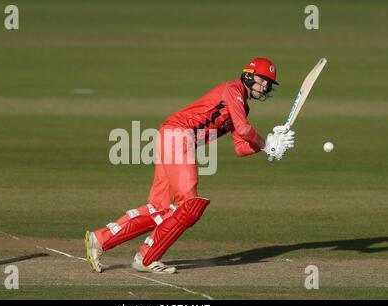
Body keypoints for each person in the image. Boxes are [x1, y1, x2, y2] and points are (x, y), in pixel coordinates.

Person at [85, 57, 295, 274]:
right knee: (189, 206)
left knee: (160, 207)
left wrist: (268, 145)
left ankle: (99, 240)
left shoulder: (241, 103)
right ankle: (147, 258)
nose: (265, 87)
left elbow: (241, 147)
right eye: (262, 81)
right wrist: (266, 143)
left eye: (268, 84)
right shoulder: (233, 90)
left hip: (172, 136)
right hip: (178, 136)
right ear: (248, 75)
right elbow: (243, 129)